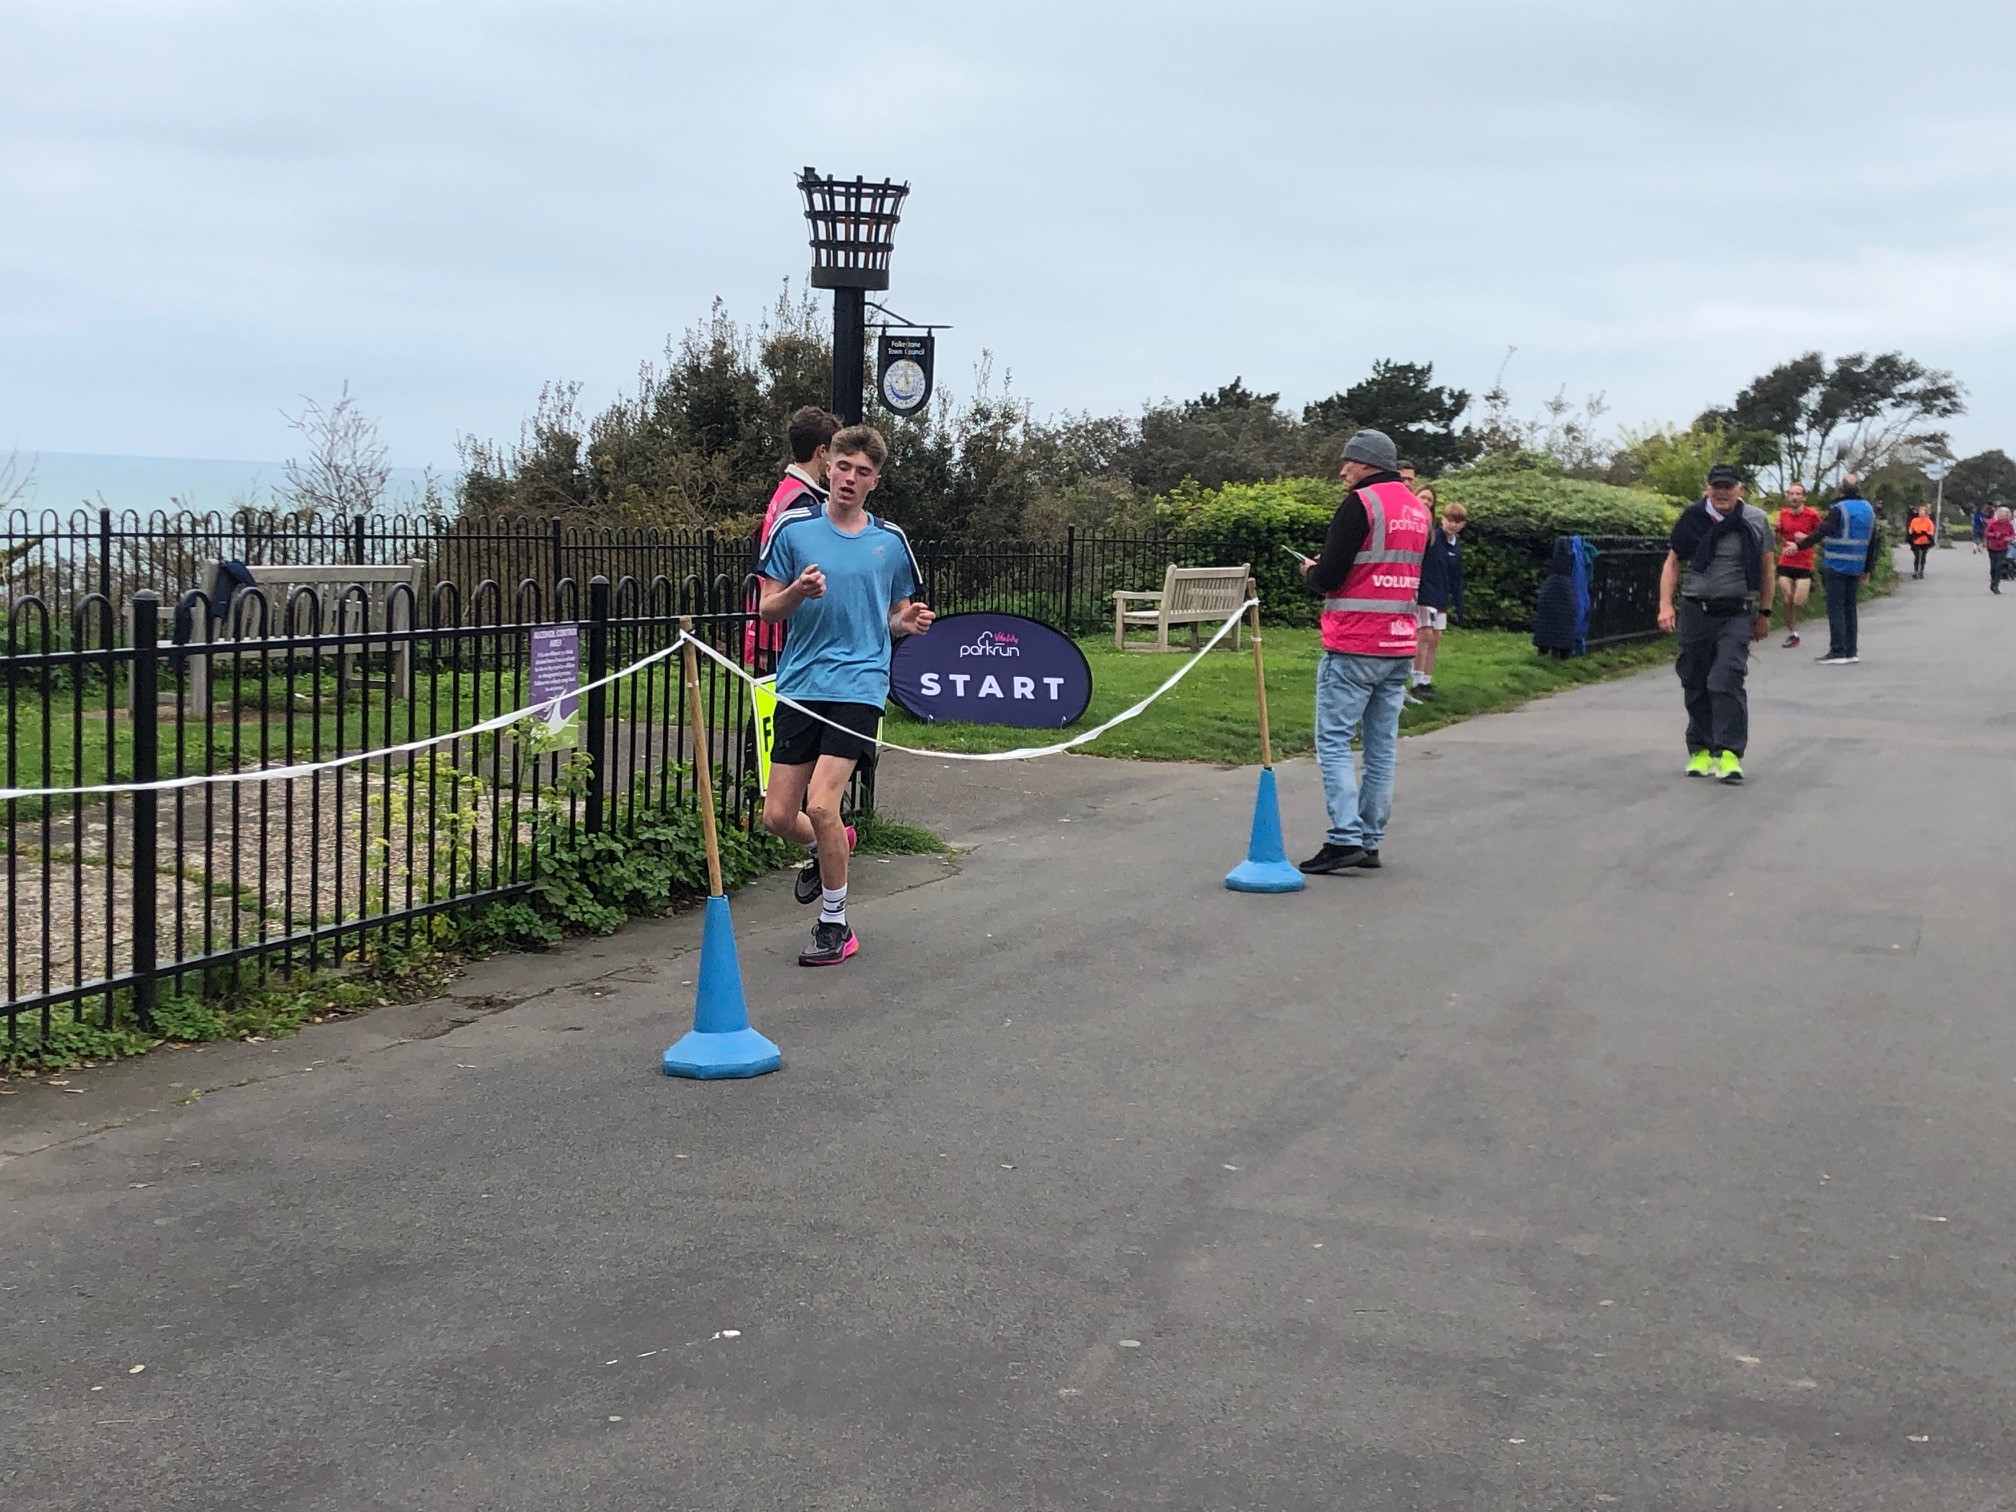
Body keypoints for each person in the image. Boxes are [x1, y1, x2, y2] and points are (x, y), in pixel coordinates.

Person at [756, 424, 933, 966]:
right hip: (802, 681)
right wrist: (796, 592)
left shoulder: (890, 542)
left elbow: (896, 615)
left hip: (860, 684)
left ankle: (835, 922)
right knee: (779, 818)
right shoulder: (792, 529)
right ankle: (827, 844)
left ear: (875, 482)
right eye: (843, 467)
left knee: (821, 802)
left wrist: (910, 622)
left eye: (863, 472)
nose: (850, 479)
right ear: (826, 466)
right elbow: (767, 609)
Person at [1295, 428, 1432, 874]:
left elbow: (1333, 574)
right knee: (1381, 748)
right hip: (1398, 642)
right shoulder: (1417, 509)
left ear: (1367, 463)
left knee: (1333, 740)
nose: (1343, 471)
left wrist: (1311, 571)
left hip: (1355, 641)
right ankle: (1370, 840)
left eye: (1348, 462)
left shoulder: (1361, 503)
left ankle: (1344, 837)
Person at [1656, 464, 1776, 782]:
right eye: (1716, 486)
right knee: (1694, 680)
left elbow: (1767, 568)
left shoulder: (1755, 520)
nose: (1722, 491)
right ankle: (1700, 750)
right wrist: (1665, 605)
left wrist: (1764, 613)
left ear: (1741, 488)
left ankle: (1728, 754)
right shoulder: (1693, 518)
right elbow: (1672, 562)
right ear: (1707, 488)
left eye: (1729, 486)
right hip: (1697, 610)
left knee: (1726, 679)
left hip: (1736, 611)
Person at [744, 407, 839, 670]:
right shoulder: (803, 501)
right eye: (833, 452)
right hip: (787, 628)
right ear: (822, 451)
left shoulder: (786, 490)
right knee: (780, 705)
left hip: (772, 621)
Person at [1784, 474, 1880, 665]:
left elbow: (1823, 531)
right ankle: (1851, 651)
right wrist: (1868, 568)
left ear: (1841, 489)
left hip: (1836, 564)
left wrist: (1800, 545)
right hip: (1856, 565)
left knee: (1835, 608)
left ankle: (1838, 651)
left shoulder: (1839, 509)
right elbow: (1873, 541)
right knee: (1850, 608)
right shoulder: (1868, 509)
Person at [1411, 492, 1465, 697]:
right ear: (1442, 519)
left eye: (1457, 521)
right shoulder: (1432, 538)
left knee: (1436, 638)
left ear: (1463, 524)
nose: (1452, 524)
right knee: (1424, 635)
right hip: (1425, 593)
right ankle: (1416, 681)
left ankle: (1426, 679)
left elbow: (1455, 576)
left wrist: (1459, 604)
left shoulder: (1455, 547)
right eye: (1449, 520)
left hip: (1441, 596)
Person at [1773, 482, 1822, 647]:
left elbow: (1821, 535)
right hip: (1786, 561)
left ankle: (1809, 589)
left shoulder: (1812, 515)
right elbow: (1778, 540)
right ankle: (1793, 633)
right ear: (1788, 496)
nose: (1794, 497)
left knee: (1798, 601)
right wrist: (1776, 530)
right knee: (1786, 599)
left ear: (1804, 497)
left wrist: (1806, 537)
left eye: (1798, 494)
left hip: (1804, 564)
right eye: (1791, 494)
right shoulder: (1783, 514)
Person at [1987, 506, 2014, 594]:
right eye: (2003, 515)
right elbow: (1986, 533)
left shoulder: (2009, 525)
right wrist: (1994, 535)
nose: (2005, 517)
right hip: (1993, 547)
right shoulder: (1993, 523)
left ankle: (1996, 584)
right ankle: (1993, 581)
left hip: (2003, 547)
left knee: (1999, 565)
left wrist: (2009, 538)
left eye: (2006, 515)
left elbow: (2012, 534)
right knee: (1993, 566)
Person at [1906, 502, 1937, 580]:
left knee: (1923, 555)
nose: (1922, 514)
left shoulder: (1928, 521)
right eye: (1920, 512)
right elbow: (1910, 529)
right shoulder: (1914, 520)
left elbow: (1931, 531)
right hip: (1916, 540)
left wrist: (1926, 533)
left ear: (1926, 513)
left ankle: (1921, 571)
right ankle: (1916, 571)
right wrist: (1912, 534)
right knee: (1917, 555)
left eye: (1923, 513)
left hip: (1925, 541)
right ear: (1918, 513)